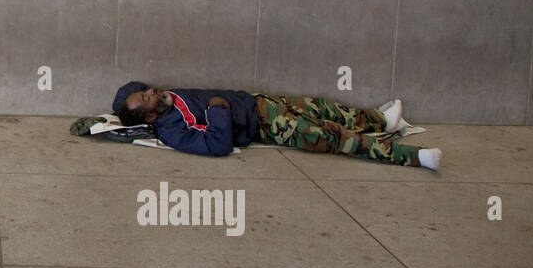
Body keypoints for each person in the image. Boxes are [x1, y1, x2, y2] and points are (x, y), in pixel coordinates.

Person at [111, 81, 442, 170]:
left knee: (329, 109)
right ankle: (413, 157)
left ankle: (382, 119)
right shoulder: (172, 130)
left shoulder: (166, 100)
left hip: (259, 103)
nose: (153, 92)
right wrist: (218, 110)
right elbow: (216, 145)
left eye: (147, 89)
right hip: (266, 126)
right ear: (148, 117)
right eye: (146, 97)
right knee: (336, 137)